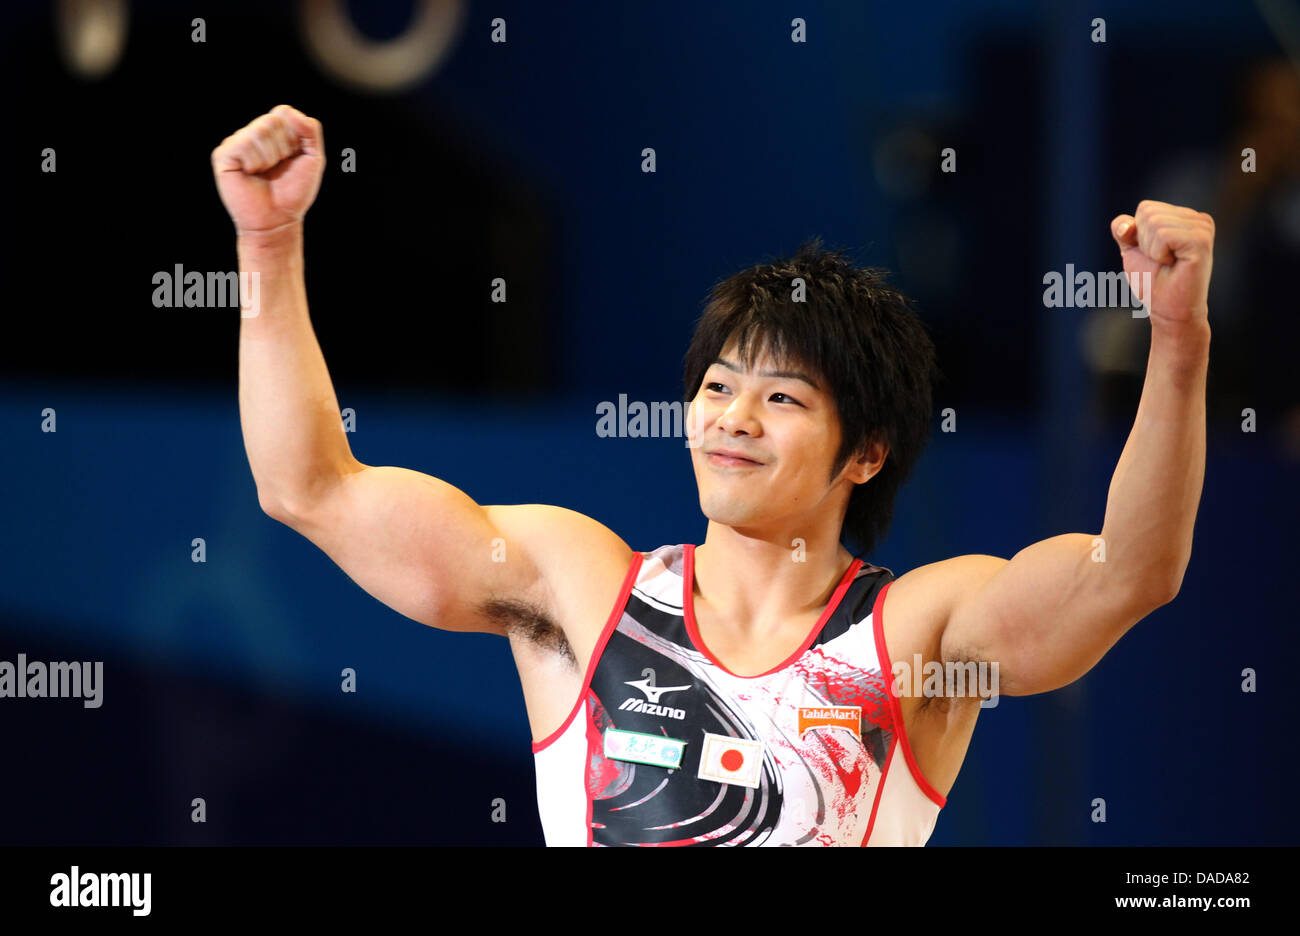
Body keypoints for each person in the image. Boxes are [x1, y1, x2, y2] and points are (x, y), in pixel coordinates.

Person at [212, 104, 1213, 846]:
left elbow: (1128, 571)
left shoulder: (913, 640)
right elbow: (310, 487)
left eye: (781, 398)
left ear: (864, 452)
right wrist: (267, 242)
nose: (732, 417)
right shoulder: (579, 591)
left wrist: (1176, 344)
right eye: (718, 386)